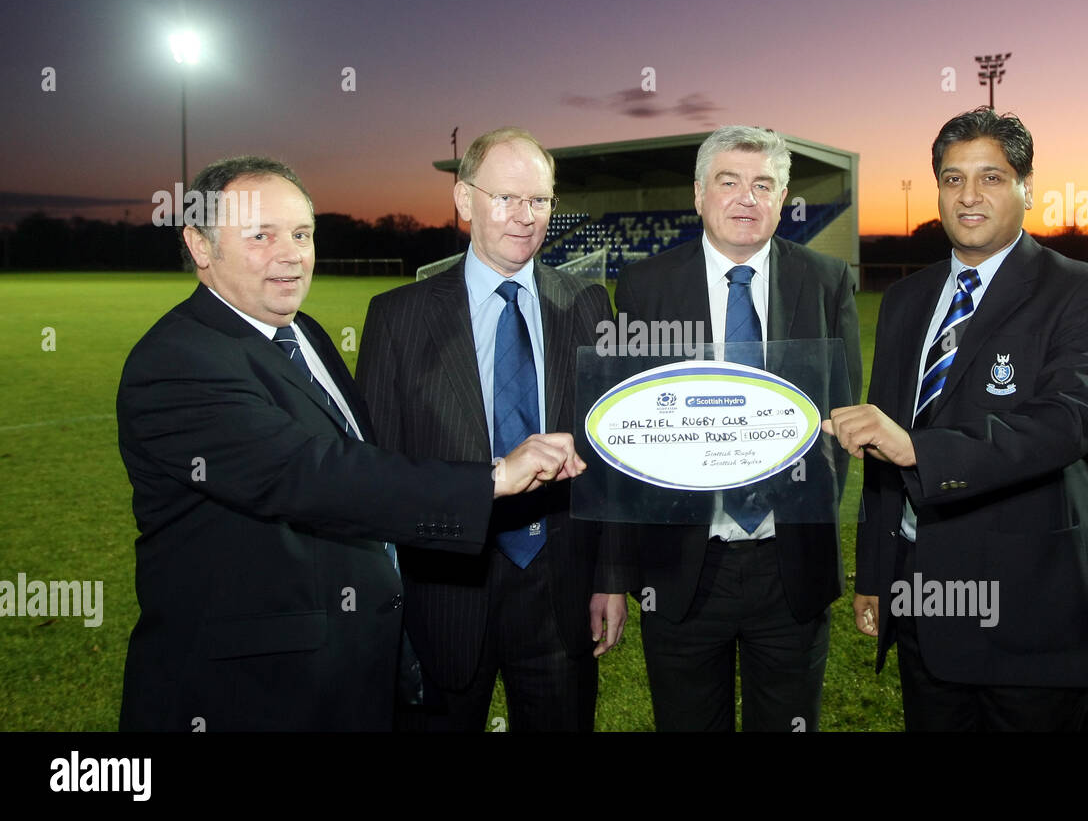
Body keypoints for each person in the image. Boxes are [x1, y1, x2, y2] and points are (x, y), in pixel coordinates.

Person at [117, 155, 582, 732]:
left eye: (301, 233)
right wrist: (492, 478)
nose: (290, 254)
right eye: (260, 235)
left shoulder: (302, 333)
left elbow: (370, 459)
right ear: (200, 244)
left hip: (344, 666)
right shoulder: (177, 362)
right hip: (248, 687)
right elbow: (311, 474)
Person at [824, 108, 1088, 731]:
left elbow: (1066, 423)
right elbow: (882, 441)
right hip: (921, 600)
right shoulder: (907, 298)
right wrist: (876, 575)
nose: (968, 196)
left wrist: (919, 450)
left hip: (1028, 607)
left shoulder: (1082, 290)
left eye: (991, 177)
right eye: (952, 178)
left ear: (1027, 189)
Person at [356, 128, 634, 731]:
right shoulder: (396, 317)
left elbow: (608, 455)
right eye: (505, 198)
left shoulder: (589, 304)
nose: (525, 217)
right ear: (463, 200)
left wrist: (610, 578)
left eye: (539, 200)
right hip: (445, 593)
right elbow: (375, 476)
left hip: (560, 589)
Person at [614, 125, 861, 731]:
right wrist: (617, 571)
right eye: (729, 182)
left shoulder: (827, 282)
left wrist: (809, 503)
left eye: (763, 185)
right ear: (699, 194)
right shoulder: (645, 287)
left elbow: (841, 412)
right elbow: (626, 437)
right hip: (681, 569)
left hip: (790, 564)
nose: (746, 198)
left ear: (782, 199)